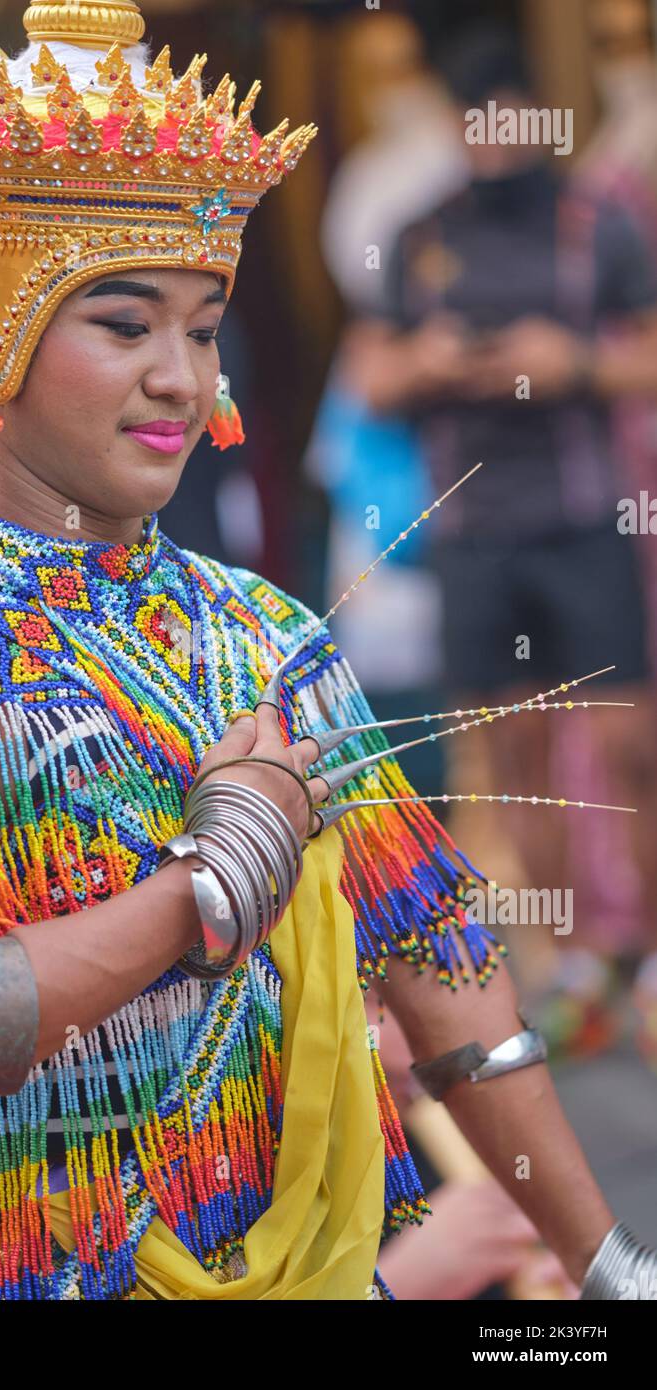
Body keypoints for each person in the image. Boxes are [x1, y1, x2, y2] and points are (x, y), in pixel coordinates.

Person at [0, 1, 652, 1303]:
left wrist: (605, 1261)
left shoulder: (262, 636)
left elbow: (441, 968)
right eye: (124, 325)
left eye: (201, 329)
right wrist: (214, 882)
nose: (182, 380)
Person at [339, 25, 657, 1065]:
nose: (490, 141)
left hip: (577, 522)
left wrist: (563, 359)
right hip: (473, 533)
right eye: (471, 124)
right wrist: (428, 363)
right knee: (516, 758)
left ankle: (643, 950)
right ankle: (570, 963)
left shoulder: (590, 224)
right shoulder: (423, 232)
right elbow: (369, 378)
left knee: (624, 747)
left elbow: (644, 349)